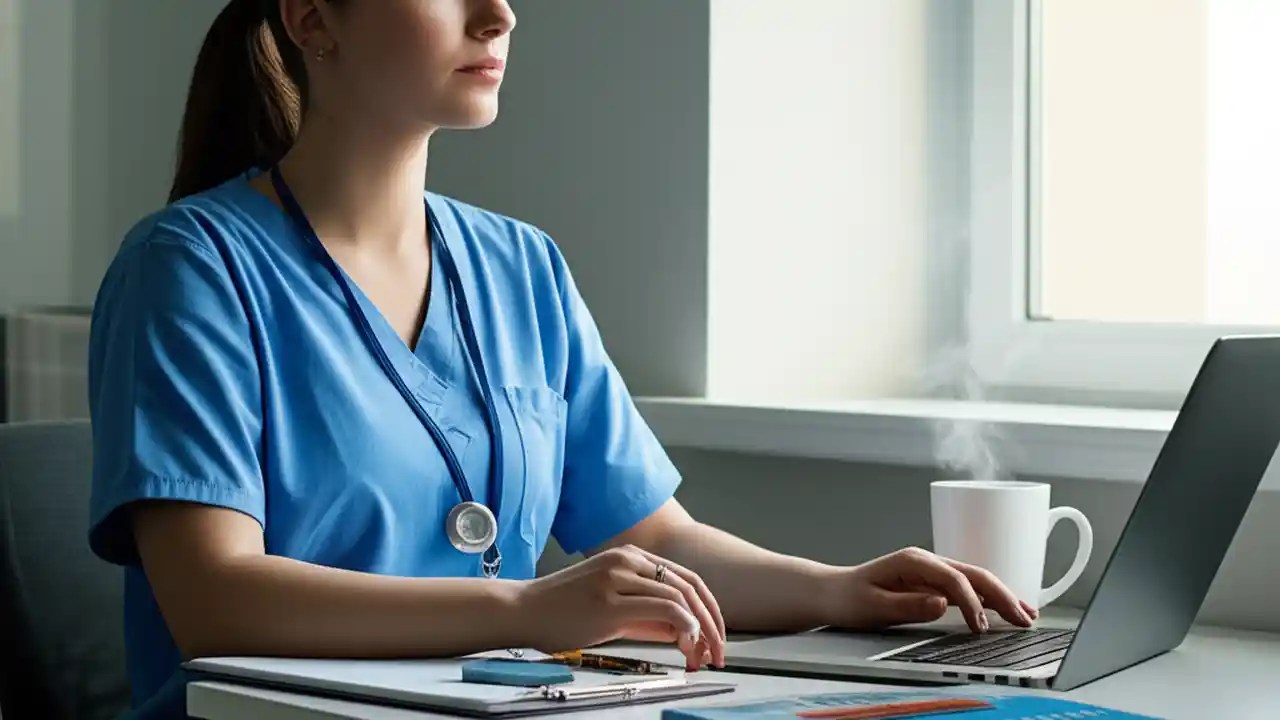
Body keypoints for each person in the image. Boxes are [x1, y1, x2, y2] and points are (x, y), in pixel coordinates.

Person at [87, 1, 1037, 717]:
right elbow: (214, 599)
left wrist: (838, 588)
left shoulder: (522, 265)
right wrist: (530, 609)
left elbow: (653, 542)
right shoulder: (191, 268)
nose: (499, 14)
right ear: (311, 17)